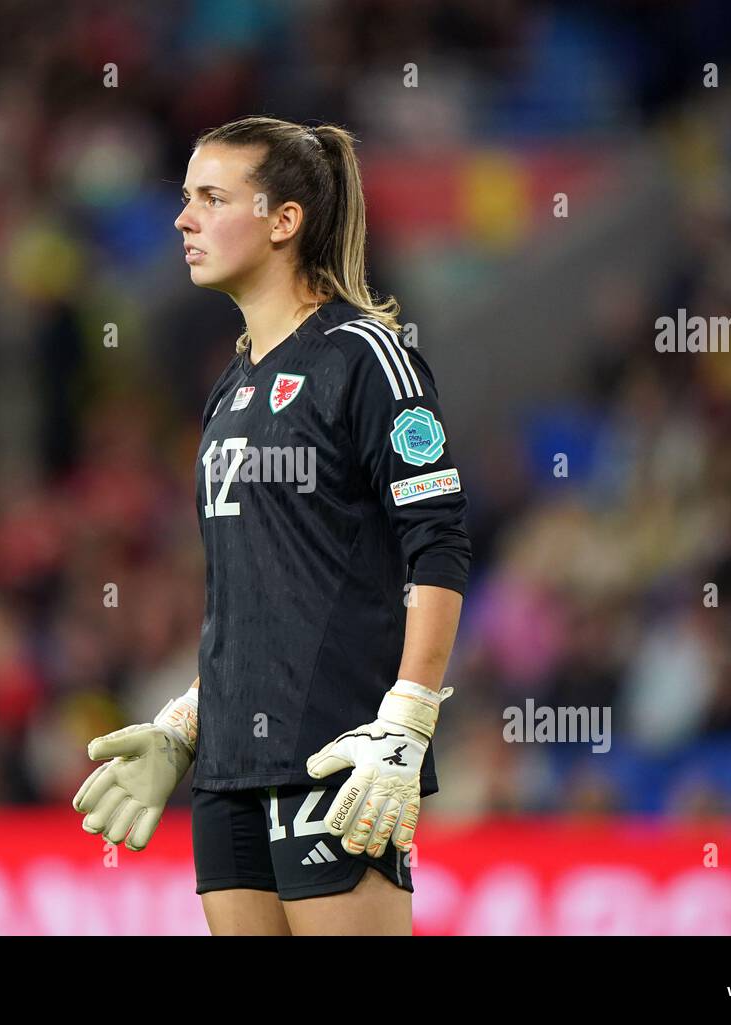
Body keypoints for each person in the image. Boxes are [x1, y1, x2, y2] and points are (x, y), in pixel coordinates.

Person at [72, 116, 471, 935]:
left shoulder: (367, 357)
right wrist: (190, 718)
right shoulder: (228, 389)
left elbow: (439, 544)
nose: (183, 219)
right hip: (228, 771)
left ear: (284, 220)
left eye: (211, 198)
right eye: (185, 198)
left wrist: (408, 719)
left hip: (338, 751)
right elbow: (259, 590)